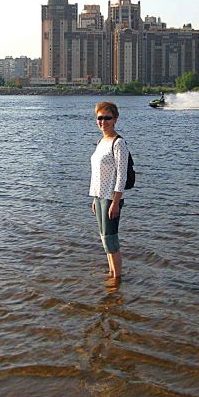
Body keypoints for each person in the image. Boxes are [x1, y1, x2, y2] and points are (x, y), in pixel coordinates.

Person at [89, 101, 129, 278]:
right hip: (99, 196)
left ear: (115, 120)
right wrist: (94, 198)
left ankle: (117, 279)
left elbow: (122, 175)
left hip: (111, 198)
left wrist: (115, 202)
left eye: (107, 118)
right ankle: (112, 273)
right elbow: (97, 173)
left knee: (111, 239)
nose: (103, 122)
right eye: (100, 118)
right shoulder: (100, 142)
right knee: (104, 238)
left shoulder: (118, 143)